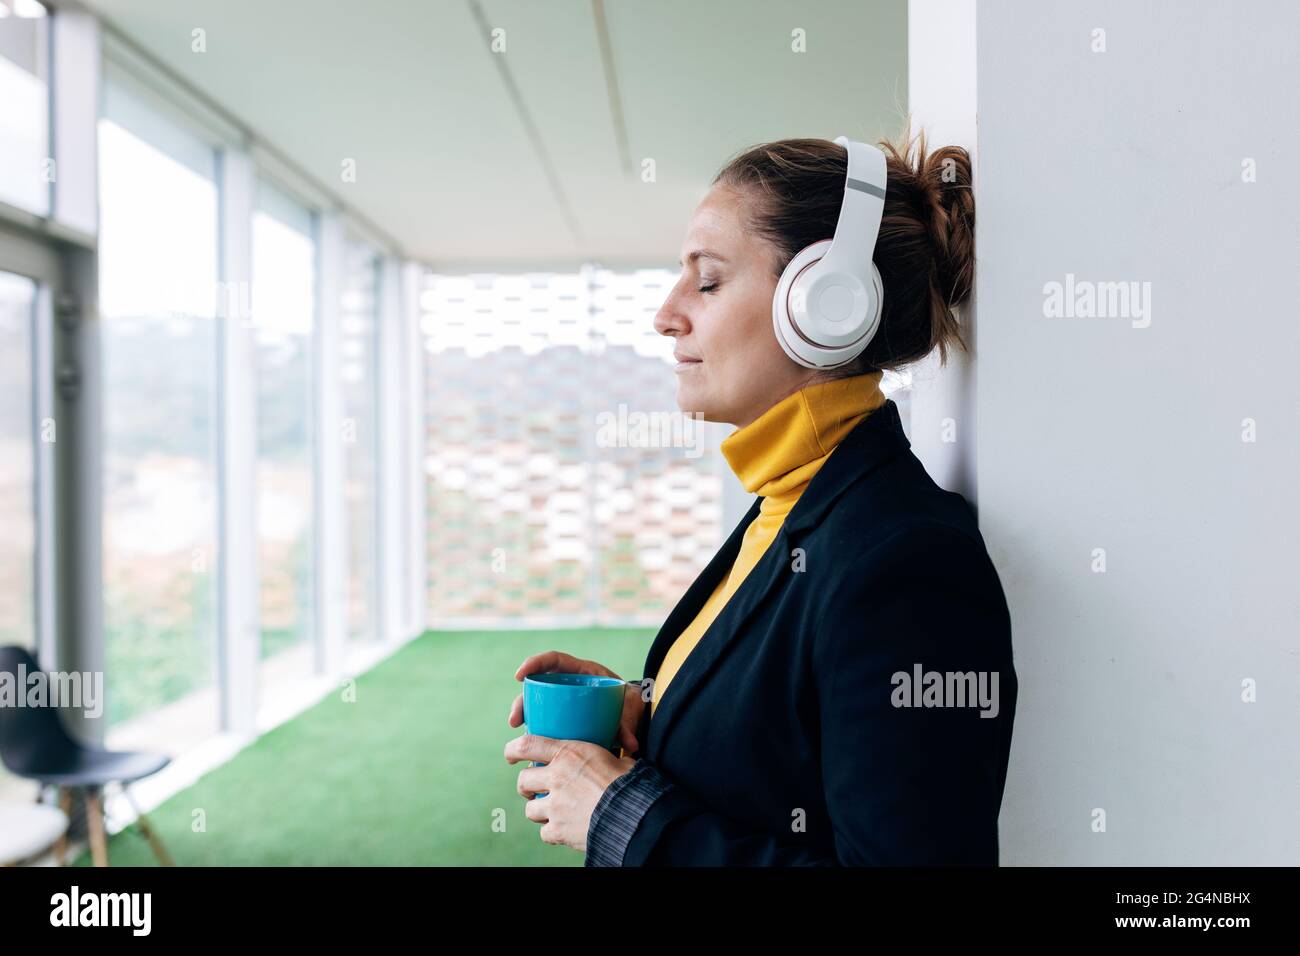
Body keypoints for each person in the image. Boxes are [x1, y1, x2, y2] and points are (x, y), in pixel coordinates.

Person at [504, 122, 1017, 865]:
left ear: (825, 303)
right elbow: (786, 738)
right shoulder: (791, 501)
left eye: (707, 279)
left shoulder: (909, 560)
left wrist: (626, 818)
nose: (666, 313)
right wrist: (656, 709)